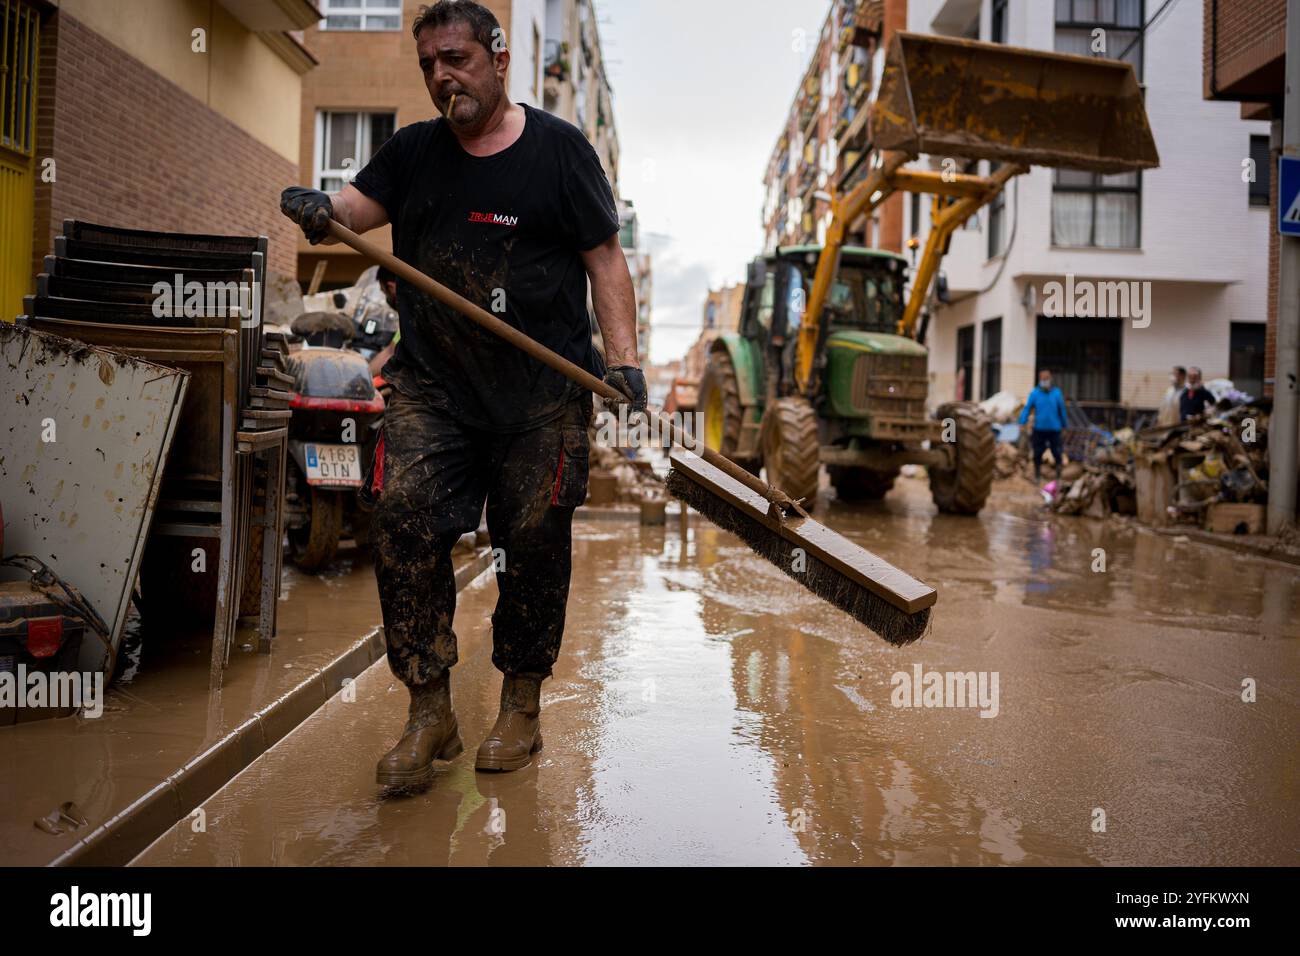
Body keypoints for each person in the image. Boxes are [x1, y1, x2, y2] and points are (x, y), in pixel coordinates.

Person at [280, 0, 643, 785]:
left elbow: (605, 259)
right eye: (429, 66)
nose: (443, 77)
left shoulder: (560, 153)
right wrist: (321, 206)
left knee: (534, 547)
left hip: (541, 400)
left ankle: (519, 708)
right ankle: (429, 711)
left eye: (457, 59)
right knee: (403, 522)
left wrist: (625, 359)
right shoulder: (412, 154)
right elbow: (354, 209)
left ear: (499, 59)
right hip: (434, 392)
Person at [1018, 369, 1068, 482]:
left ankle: (1058, 475)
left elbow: (1062, 410)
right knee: (1037, 453)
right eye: (1042, 379)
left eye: (1046, 379)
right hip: (1039, 429)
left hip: (1055, 429)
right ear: (1039, 380)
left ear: (1050, 379)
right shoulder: (1035, 393)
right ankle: (1037, 475)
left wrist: (1064, 425)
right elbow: (1027, 408)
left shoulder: (1056, 393)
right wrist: (1022, 422)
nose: (1045, 381)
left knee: (1057, 452)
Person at [367, 266, 400, 377]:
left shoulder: (413, 314)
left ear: (391, 287)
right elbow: (390, 350)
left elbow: (390, 353)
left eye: (385, 292)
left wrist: (362, 377)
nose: (387, 298)